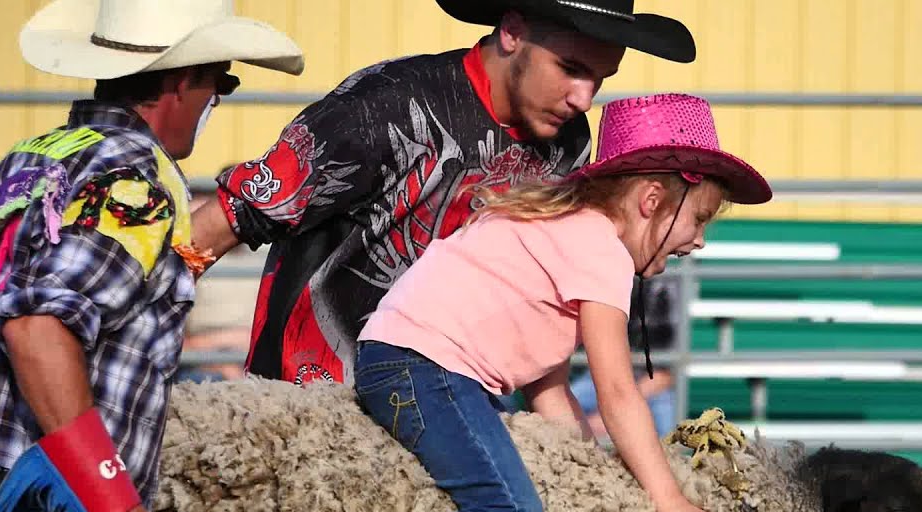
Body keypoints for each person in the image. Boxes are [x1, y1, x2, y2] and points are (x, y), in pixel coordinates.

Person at [291, 92, 772, 512]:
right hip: (425, 368)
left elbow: (549, 388)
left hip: (415, 363)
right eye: (699, 218)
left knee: (525, 499)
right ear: (652, 201)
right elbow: (617, 391)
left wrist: (597, 477)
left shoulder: (559, 234)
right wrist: (669, 502)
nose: (698, 241)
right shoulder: (599, 248)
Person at [0, 1, 302, 512]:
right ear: (182, 82)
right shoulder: (133, 180)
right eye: (219, 84)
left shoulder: (38, 159)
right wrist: (115, 505)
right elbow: (40, 328)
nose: (214, 103)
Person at [188, 0, 697, 387]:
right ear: (513, 32)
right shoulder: (384, 106)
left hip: (453, 408)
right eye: (570, 68)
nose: (583, 98)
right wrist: (125, 323)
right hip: (318, 401)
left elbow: (534, 292)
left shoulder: (568, 146)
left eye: (600, 79)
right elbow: (233, 216)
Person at [571, 274, 681, 438]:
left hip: (650, 384)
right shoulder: (609, 278)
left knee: (668, 429)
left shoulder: (673, 292)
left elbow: (665, 375)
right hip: (602, 375)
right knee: (563, 409)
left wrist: (609, 415)